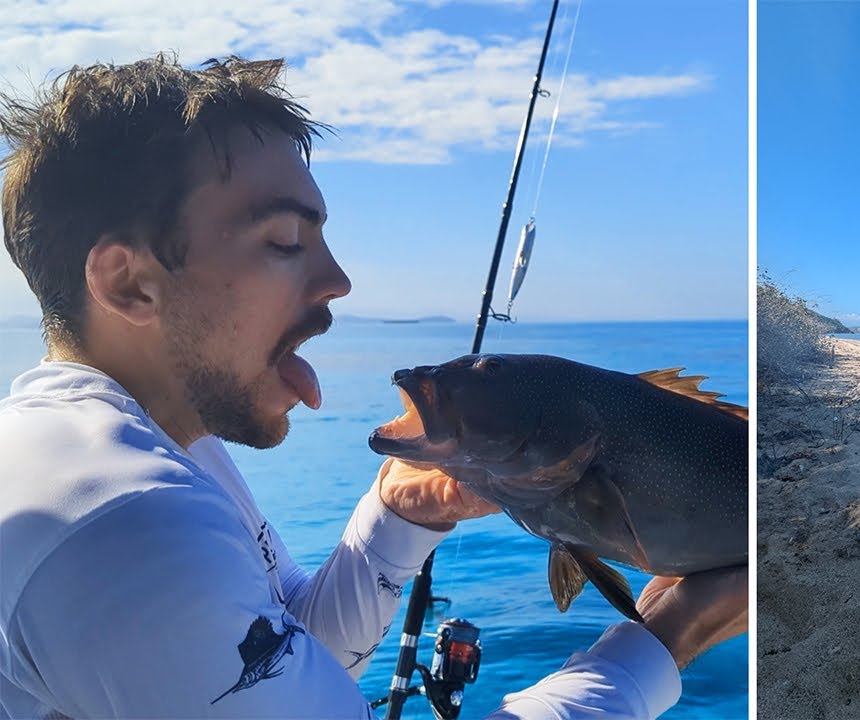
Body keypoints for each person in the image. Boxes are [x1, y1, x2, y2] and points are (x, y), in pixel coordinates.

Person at [0, 55, 747, 718]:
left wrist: (397, 520)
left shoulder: (146, 446)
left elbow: (286, 658)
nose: (339, 281)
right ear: (130, 283)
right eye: (286, 242)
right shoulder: (123, 522)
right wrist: (667, 641)